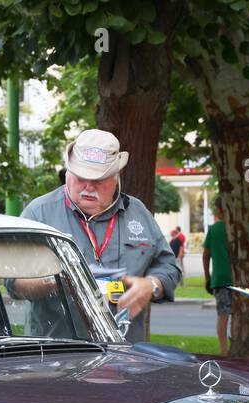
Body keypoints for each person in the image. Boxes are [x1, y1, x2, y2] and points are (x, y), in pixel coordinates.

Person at [18, 129, 181, 341]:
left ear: (116, 178)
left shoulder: (138, 213)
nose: (88, 187)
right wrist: (59, 282)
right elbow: (14, 281)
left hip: (125, 355)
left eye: (98, 180)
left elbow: (168, 268)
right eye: (80, 177)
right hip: (58, 355)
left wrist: (151, 285)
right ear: (68, 174)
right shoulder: (39, 213)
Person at [202, 196, 233, 353]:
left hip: (220, 279)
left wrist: (208, 277)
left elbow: (206, 255)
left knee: (223, 316)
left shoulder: (214, 230)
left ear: (219, 210)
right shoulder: (234, 228)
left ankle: (224, 350)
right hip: (237, 280)